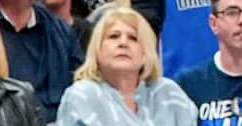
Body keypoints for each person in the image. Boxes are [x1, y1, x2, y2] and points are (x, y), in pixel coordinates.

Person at [53, 11, 194, 126]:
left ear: (145, 53)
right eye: (113, 36)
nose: (123, 43)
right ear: (97, 50)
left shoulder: (168, 92)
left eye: (133, 38)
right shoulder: (82, 95)